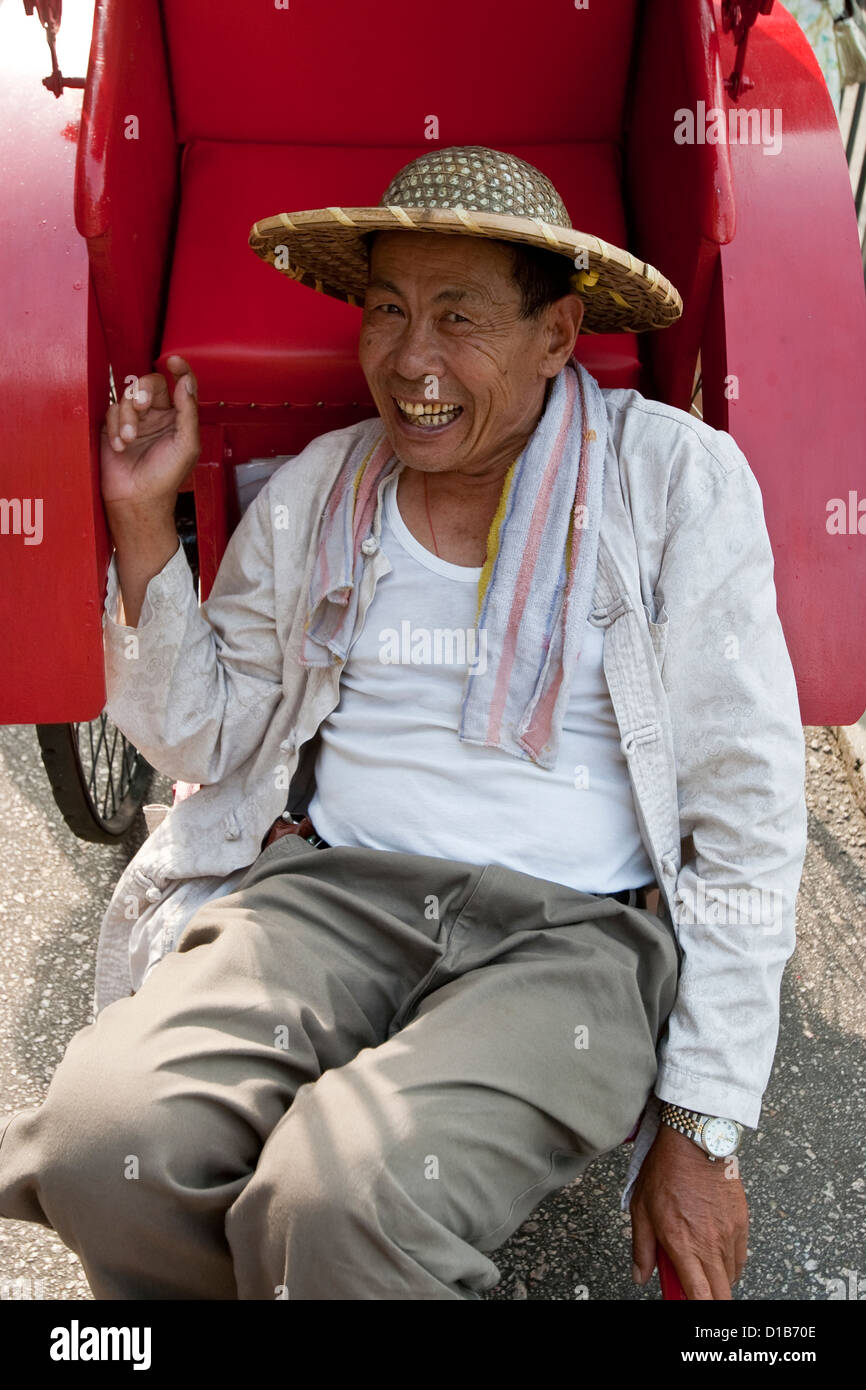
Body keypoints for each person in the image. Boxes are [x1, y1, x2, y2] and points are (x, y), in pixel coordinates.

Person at [0, 146, 807, 1301]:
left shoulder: (671, 483)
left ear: (558, 332)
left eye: (458, 316)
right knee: (101, 1145)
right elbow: (204, 737)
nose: (412, 359)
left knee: (336, 1202)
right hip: (326, 897)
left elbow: (746, 812)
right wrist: (140, 525)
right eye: (386, 310)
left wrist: (701, 1122)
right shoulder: (323, 488)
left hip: (569, 938)